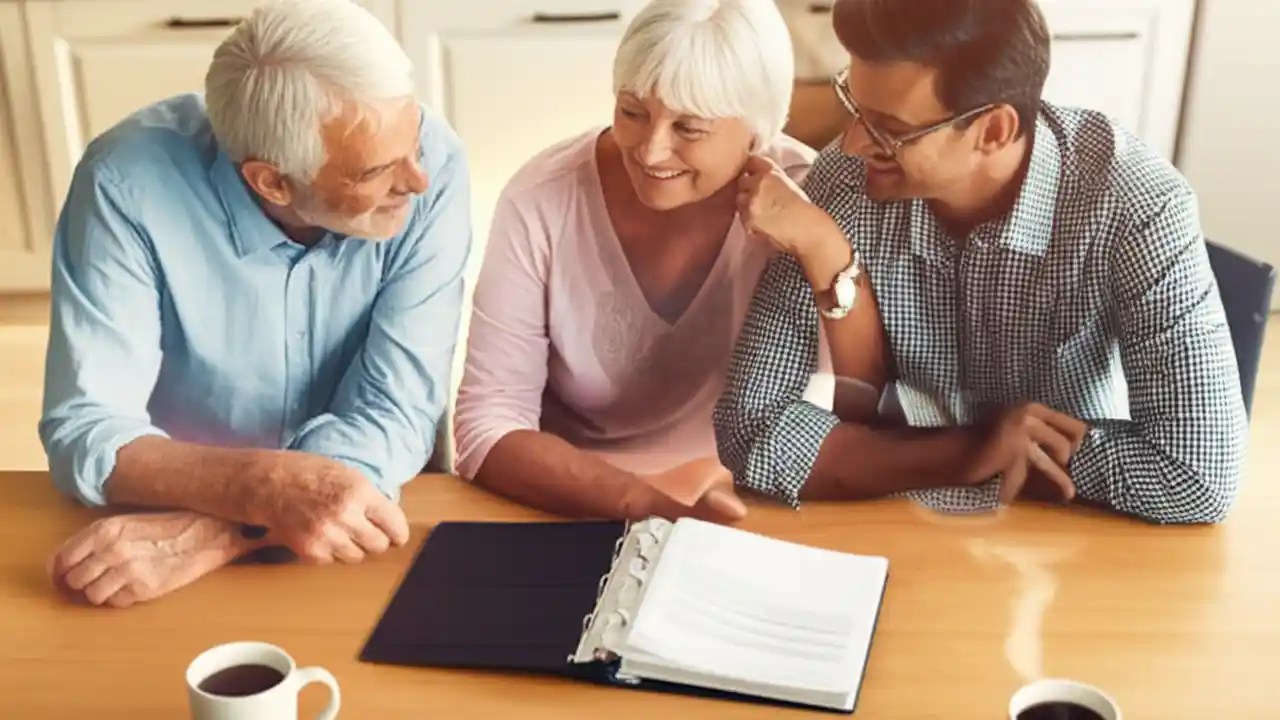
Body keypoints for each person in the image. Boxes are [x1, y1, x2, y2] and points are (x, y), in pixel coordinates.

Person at [717, 0, 1247, 524]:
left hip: (1074, 535)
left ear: (992, 131)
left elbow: (1196, 477)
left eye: (888, 128)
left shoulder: (1136, 205)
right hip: (901, 526)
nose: (852, 144)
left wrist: (897, 454)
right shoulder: (845, 182)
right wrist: (972, 452)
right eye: (852, 106)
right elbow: (750, 428)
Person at [40, 0, 471, 607]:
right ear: (272, 182)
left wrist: (221, 533)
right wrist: (266, 490)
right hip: (167, 516)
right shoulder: (125, 183)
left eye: (415, 140)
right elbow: (87, 430)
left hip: (355, 520)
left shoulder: (437, 163)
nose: (417, 180)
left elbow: (396, 410)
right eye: (377, 169)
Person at [452, 0, 814, 523]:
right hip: (571, 505)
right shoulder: (541, 199)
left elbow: (839, 407)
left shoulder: (809, 199)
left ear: (760, 133)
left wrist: (824, 254)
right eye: (632, 112)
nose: (650, 151)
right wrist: (640, 501)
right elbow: (486, 425)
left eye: (689, 129)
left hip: (749, 500)